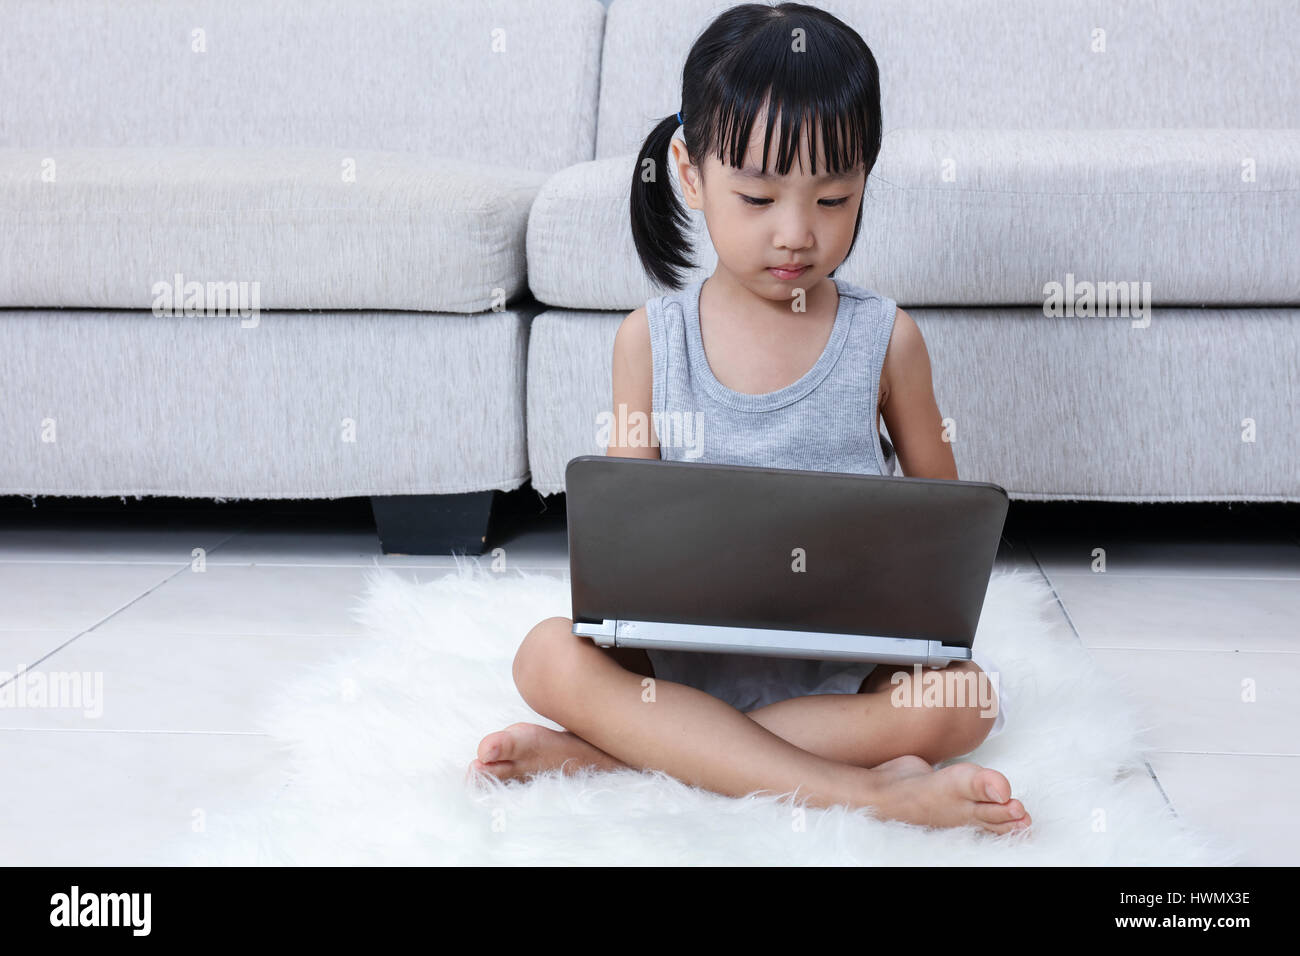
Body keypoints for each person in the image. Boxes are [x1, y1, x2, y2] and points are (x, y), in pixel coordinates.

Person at [472, 1, 1030, 834]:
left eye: (834, 198)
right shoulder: (650, 341)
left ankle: (625, 757)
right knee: (544, 655)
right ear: (691, 176)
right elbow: (624, 541)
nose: (797, 233)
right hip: (677, 668)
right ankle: (873, 791)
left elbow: (941, 543)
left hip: (841, 672)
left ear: (866, 179)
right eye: (759, 197)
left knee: (966, 699)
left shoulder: (887, 340)